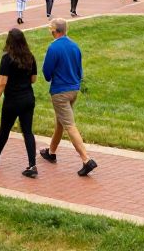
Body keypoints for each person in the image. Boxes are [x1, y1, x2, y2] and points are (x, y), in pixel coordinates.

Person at [39, 18, 97, 177]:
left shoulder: (53, 48)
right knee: (61, 122)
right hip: (74, 90)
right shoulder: (74, 46)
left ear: (55, 31)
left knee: (69, 125)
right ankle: (51, 152)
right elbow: (79, 69)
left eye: (51, 30)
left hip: (60, 92)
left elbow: (46, 73)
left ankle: (86, 159)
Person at [0, 28, 39, 178]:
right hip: (28, 98)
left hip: (13, 100)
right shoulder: (30, 57)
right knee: (27, 131)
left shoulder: (7, 58)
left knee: (5, 128)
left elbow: (2, 82)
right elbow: (33, 79)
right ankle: (32, 165)